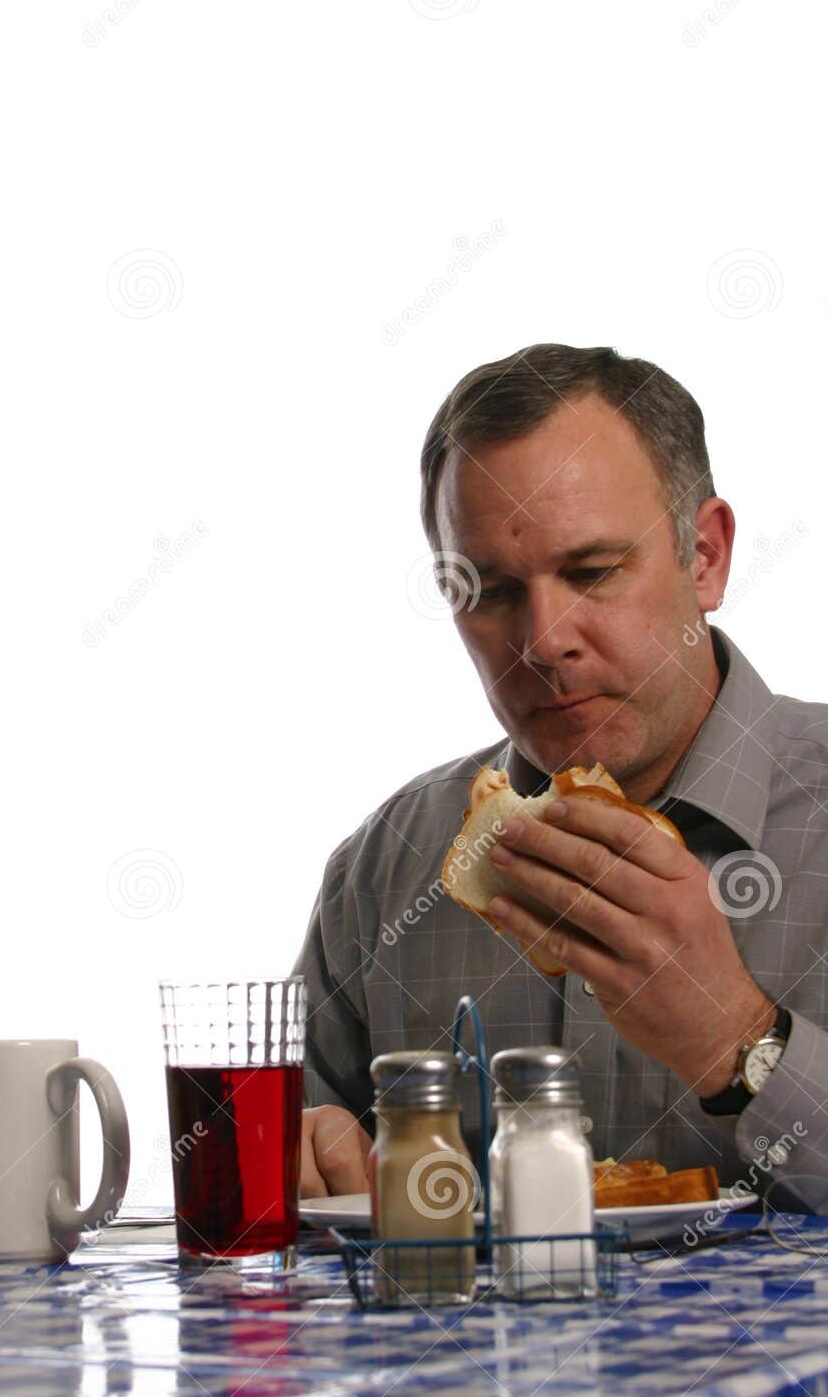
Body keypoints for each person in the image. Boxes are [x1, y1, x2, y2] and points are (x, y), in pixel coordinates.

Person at [294, 342, 828, 1210]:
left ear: (705, 557)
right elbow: (298, 1166)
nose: (543, 642)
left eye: (591, 572)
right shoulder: (383, 871)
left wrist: (738, 1043)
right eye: (489, 590)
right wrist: (308, 1152)